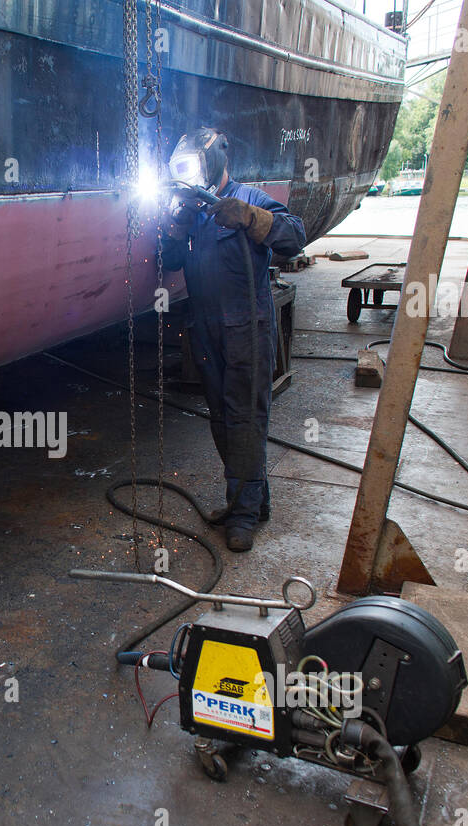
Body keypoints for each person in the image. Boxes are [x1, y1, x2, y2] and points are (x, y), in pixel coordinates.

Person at [160, 128, 306, 552]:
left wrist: (250, 218)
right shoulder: (189, 208)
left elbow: (294, 238)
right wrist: (174, 226)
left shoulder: (249, 199)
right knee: (222, 420)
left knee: (245, 419)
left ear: (214, 161)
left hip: (247, 328)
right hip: (205, 329)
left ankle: (242, 514)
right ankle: (253, 501)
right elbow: (167, 263)